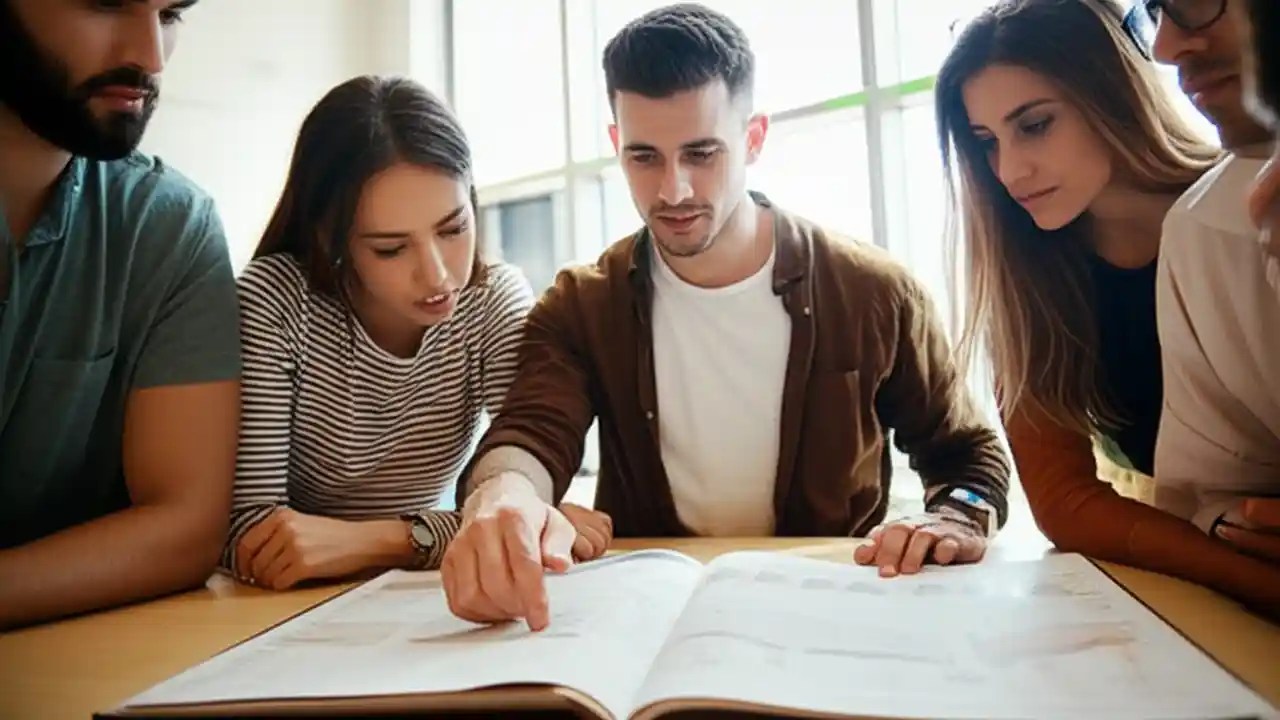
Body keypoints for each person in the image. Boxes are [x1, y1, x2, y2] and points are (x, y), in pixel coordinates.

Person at [443, 2, 1012, 632]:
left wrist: (958, 515)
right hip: (646, 624)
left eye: (701, 153)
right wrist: (504, 497)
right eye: (644, 157)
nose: (673, 190)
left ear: (754, 138)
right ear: (615, 146)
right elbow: (529, 433)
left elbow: (968, 455)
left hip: (832, 614)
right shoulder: (583, 304)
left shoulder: (874, 291)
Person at [937, 0, 1280, 618]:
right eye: (987, 142)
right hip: (1214, 587)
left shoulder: (1251, 206)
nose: (1010, 170)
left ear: (1112, 92)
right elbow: (1064, 503)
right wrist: (1247, 577)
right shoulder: (1029, 283)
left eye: (1035, 124)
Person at [226, 76, 612, 591]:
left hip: (416, 594)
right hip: (277, 610)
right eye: (390, 248)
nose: (437, 276)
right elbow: (248, 534)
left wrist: (382, 542)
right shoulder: (276, 300)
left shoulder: (491, 297)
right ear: (329, 236)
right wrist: (463, 529)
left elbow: (523, 489)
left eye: (454, 229)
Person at [0, 0, 242, 628]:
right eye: (106, 3)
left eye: (170, 13)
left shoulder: (170, 228)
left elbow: (186, 530)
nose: (151, 56)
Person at [1135, 0, 1280, 575]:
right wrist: (1234, 526)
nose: (1164, 48)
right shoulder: (1203, 228)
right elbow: (1210, 500)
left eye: (1194, 2)